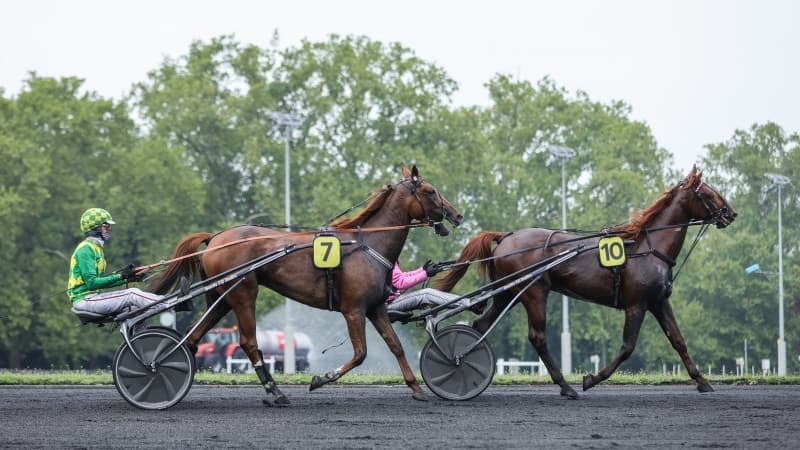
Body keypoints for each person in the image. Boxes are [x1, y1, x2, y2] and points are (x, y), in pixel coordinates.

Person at [68, 208, 160, 321]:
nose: (109, 229)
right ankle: (169, 304)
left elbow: (100, 283)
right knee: (132, 294)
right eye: (106, 226)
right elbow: (92, 283)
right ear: (95, 228)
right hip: (84, 300)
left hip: (92, 298)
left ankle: (140, 337)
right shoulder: (85, 249)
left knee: (135, 308)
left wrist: (128, 279)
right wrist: (121, 276)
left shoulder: (96, 248)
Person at [385, 260, 478, 321]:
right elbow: (400, 283)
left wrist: (422, 270)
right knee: (426, 293)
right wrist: (425, 273)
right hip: (387, 307)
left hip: (393, 302)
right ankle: (469, 304)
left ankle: (469, 303)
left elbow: (401, 276)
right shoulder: (386, 257)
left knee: (428, 298)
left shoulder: (389, 257)